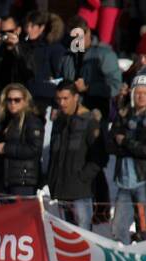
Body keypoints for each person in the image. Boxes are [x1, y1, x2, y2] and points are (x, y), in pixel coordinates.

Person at [108, 72, 146, 243]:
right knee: (118, 227)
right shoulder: (123, 115)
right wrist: (132, 146)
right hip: (124, 181)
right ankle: (124, 257)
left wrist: (126, 142)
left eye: (145, 93)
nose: (141, 96)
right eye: (138, 92)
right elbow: (111, 144)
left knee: (145, 227)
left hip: (144, 181)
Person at [47, 80, 104, 230]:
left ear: (75, 97)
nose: (62, 103)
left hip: (80, 191)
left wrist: (82, 177)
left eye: (65, 98)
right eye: (58, 99)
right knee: (65, 235)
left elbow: (99, 156)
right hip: (61, 190)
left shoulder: (89, 121)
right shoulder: (59, 121)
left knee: (83, 235)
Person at [0, 81, 41, 197]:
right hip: (5, 178)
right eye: (9, 100)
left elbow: (34, 149)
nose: (12, 103)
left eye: (17, 100)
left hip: (23, 181)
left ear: (25, 101)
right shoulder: (5, 120)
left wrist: (5, 149)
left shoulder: (32, 121)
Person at [61, 17, 121, 113]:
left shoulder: (105, 54)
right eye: (73, 38)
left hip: (95, 113)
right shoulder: (68, 56)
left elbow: (115, 87)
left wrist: (88, 88)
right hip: (71, 113)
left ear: (88, 32)